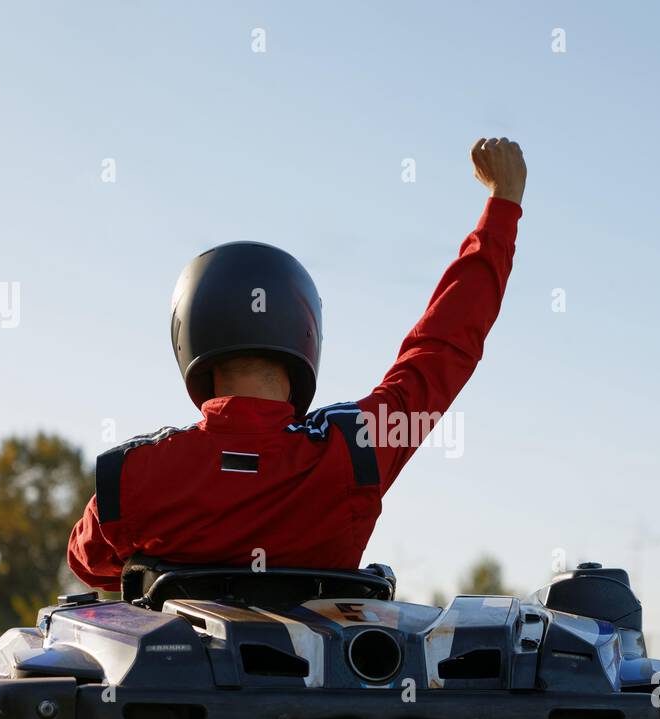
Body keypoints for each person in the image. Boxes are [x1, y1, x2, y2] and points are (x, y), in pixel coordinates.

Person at [67, 137, 526, 591]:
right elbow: (444, 346)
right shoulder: (357, 448)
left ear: (188, 334)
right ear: (305, 332)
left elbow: (86, 563)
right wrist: (502, 206)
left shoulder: (133, 474)